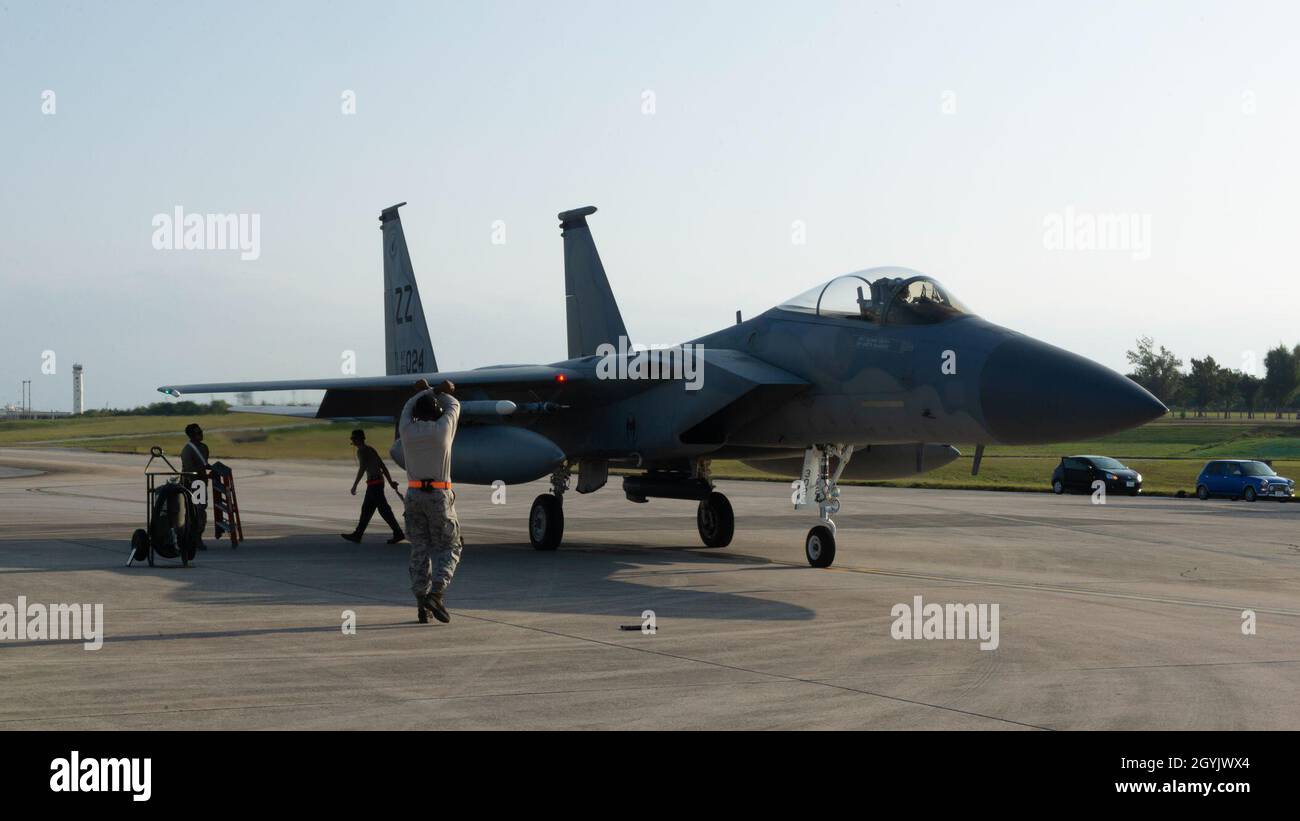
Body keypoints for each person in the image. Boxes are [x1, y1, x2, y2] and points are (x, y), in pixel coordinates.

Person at [399, 378, 461, 624]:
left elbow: (406, 408)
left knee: (419, 549)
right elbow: (454, 404)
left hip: (413, 496)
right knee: (450, 547)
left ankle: (421, 605)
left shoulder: (406, 430)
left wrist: (425, 390)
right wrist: (442, 391)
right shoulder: (442, 430)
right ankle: (436, 594)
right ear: (436, 413)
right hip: (438, 495)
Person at [341, 429, 405, 544]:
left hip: (374, 484)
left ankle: (398, 533)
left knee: (383, 510)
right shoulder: (371, 449)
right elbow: (383, 466)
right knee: (367, 509)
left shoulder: (362, 451)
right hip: (377, 483)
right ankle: (358, 534)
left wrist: (355, 485)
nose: (352, 440)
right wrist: (390, 482)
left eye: (354, 438)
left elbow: (362, 468)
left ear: (359, 439)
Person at [180, 423, 210, 550]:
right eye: (198, 433)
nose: (201, 434)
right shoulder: (187, 450)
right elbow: (189, 469)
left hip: (201, 484)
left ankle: (197, 536)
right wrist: (202, 474)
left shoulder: (203, 447)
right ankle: (193, 538)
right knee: (195, 512)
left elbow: (204, 464)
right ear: (191, 435)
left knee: (201, 511)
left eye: (201, 431)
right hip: (193, 484)